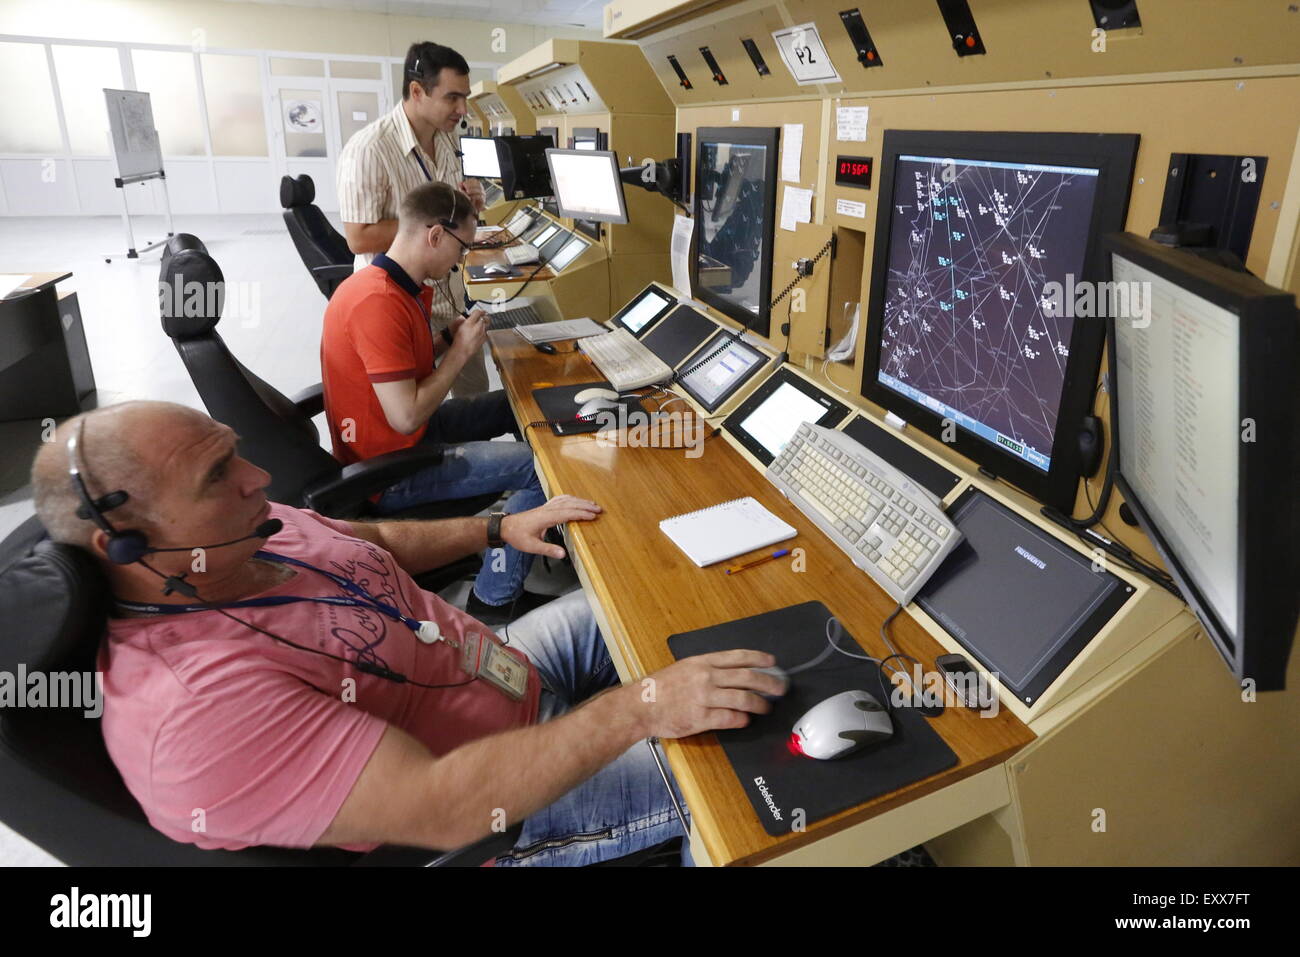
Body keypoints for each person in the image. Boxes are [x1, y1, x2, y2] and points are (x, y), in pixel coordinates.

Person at [29, 402, 783, 865]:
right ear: (123, 545)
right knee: (744, 782)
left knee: (667, 608)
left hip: (509, 670)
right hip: (496, 808)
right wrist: (643, 707)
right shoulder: (195, 714)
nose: (259, 477)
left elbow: (371, 537)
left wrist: (497, 526)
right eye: (219, 475)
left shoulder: (244, 530)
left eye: (235, 451)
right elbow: (443, 806)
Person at [322, 181, 546, 622]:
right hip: (393, 466)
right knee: (539, 466)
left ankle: (533, 526)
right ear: (435, 235)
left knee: (518, 404)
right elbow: (405, 416)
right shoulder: (378, 302)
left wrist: (447, 338)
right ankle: (495, 597)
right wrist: (461, 352)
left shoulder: (386, 283)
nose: (461, 260)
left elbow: (405, 367)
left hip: (400, 439)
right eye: (461, 248)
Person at [337, 40, 489, 397]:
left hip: (449, 298)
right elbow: (358, 237)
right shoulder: (370, 149)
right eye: (452, 97)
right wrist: (437, 226)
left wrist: (467, 207)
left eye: (465, 97)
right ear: (417, 91)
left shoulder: (448, 142)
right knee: (422, 415)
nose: (462, 109)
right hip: (402, 307)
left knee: (476, 400)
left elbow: (445, 212)